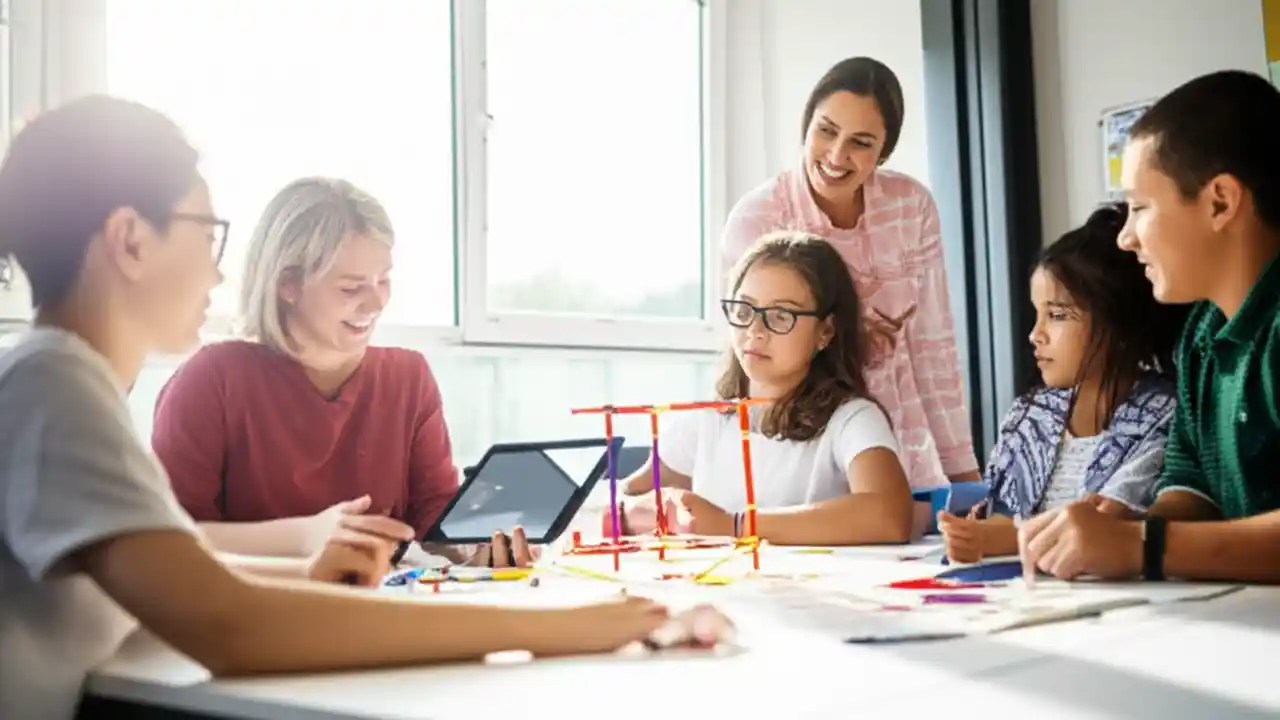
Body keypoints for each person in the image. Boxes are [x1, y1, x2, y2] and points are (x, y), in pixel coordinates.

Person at [0, 96, 726, 719]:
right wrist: (563, 629)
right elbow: (227, 623)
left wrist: (314, 572)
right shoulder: (53, 391)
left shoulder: (60, 384)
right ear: (131, 240)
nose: (219, 271)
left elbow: (183, 577)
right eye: (207, 233)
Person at [151, 177, 526, 566]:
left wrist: (478, 544)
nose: (376, 302)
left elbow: (434, 516)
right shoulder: (211, 380)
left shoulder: (408, 378)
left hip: (379, 600)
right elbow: (166, 535)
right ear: (288, 284)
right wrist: (306, 536)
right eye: (351, 288)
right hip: (253, 602)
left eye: (384, 280)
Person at [1019, 70, 1280, 583]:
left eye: (1139, 208)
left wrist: (1145, 545)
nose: (1126, 238)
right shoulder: (1201, 336)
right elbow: (1193, 483)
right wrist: (1124, 528)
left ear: (1220, 201)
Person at [721, 56, 977, 493]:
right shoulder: (757, 218)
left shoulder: (910, 206)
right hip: (804, 459)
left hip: (905, 455)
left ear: (884, 151)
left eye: (861, 142)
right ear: (806, 125)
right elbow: (749, 355)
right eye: (826, 131)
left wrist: (963, 474)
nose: (838, 155)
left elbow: (933, 347)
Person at [616, 232, 912, 545]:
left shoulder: (852, 419)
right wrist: (642, 511)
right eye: (744, 311)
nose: (754, 331)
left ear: (825, 331)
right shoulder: (708, 419)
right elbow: (627, 497)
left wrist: (733, 526)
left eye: (780, 316)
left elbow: (890, 515)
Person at [937, 204, 1185, 563]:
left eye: (1056, 315)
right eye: (1037, 314)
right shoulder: (1028, 415)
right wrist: (971, 534)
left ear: (1117, 325)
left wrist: (1003, 538)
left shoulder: (1165, 416)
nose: (1035, 334)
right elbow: (1000, 511)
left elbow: (1112, 521)